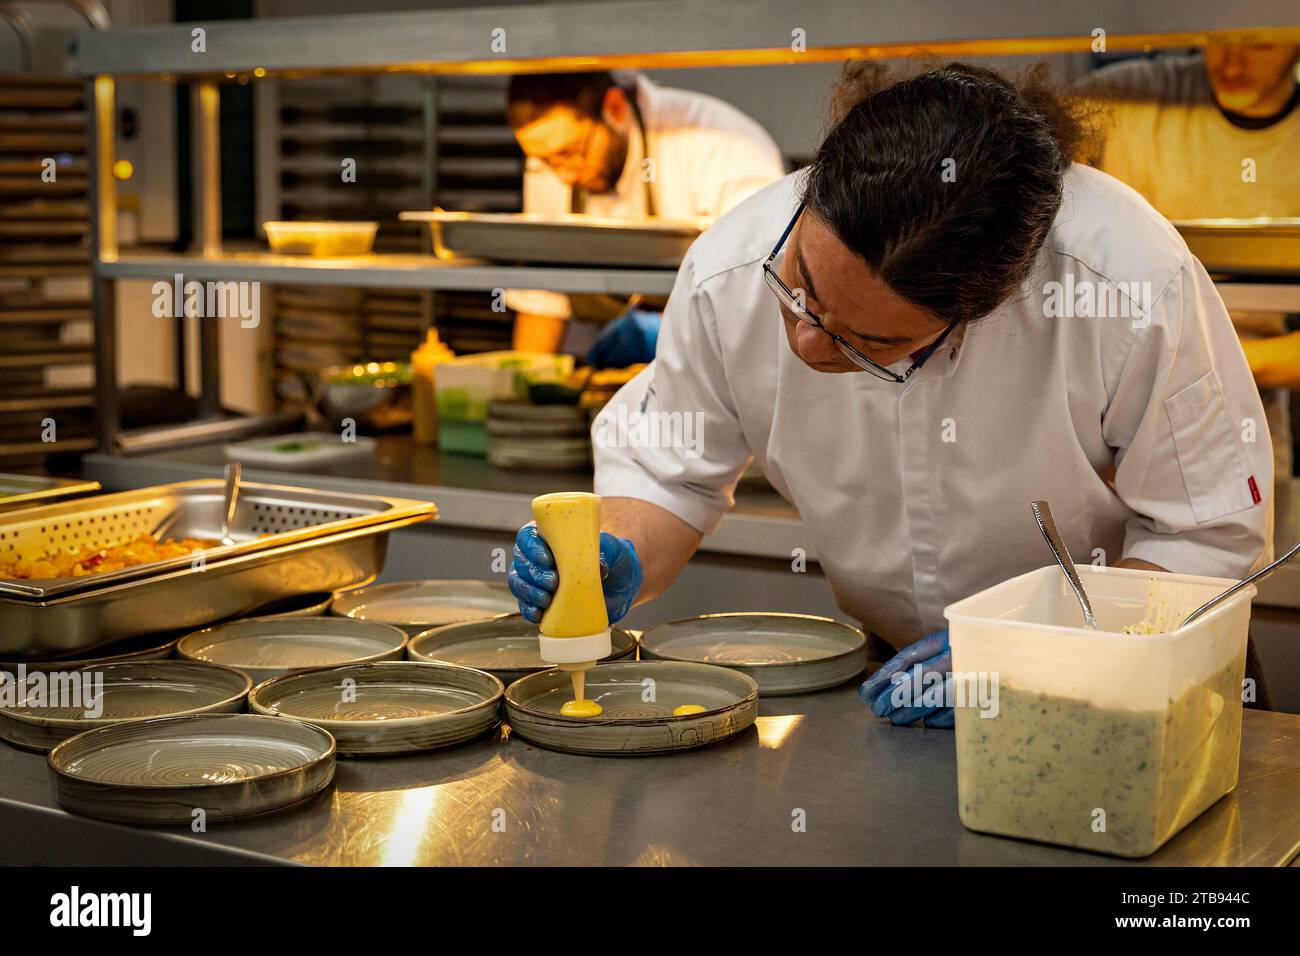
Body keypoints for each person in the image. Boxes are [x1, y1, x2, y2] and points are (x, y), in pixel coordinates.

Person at [509, 63, 1274, 727]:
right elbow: (667, 476)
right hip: (902, 680)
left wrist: (1038, 651)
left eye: (868, 344)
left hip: (1124, 688)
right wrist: (621, 551)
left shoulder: (1124, 283)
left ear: (980, 313)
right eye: (802, 287)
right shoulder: (731, 267)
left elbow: (1203, 538)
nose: (806, 341)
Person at [1084, 42, 1300, 498]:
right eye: (1218, 40)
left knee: (1222, 563)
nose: (1232, 61)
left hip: (1235, 425)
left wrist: (1213, 365)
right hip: (1094, 421)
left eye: (1260, 45)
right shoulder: (1132, 98)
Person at [503, 70, 785, 366]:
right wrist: (520, 390)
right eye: (547, 163)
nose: (564, 176)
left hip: (722, 363)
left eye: (572, 153)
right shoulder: (553, 161)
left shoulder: (717, 142)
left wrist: (667, 334)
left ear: (614, 108)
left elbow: (762, 283)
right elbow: (542, 299)